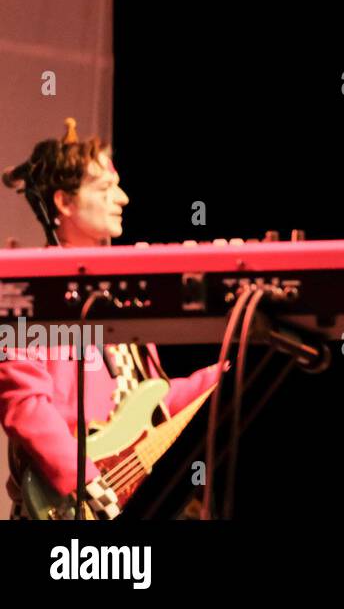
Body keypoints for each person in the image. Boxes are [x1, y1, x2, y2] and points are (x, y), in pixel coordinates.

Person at [0, 118, 221, 519]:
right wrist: (83, 478)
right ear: (64, 203)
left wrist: (227, 371)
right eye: (104, 188)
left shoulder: (118, 295)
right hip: (69, 503)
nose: (122, 198)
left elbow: (153, 402)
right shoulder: (30, 291)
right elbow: (23, 400)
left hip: (133, 496)